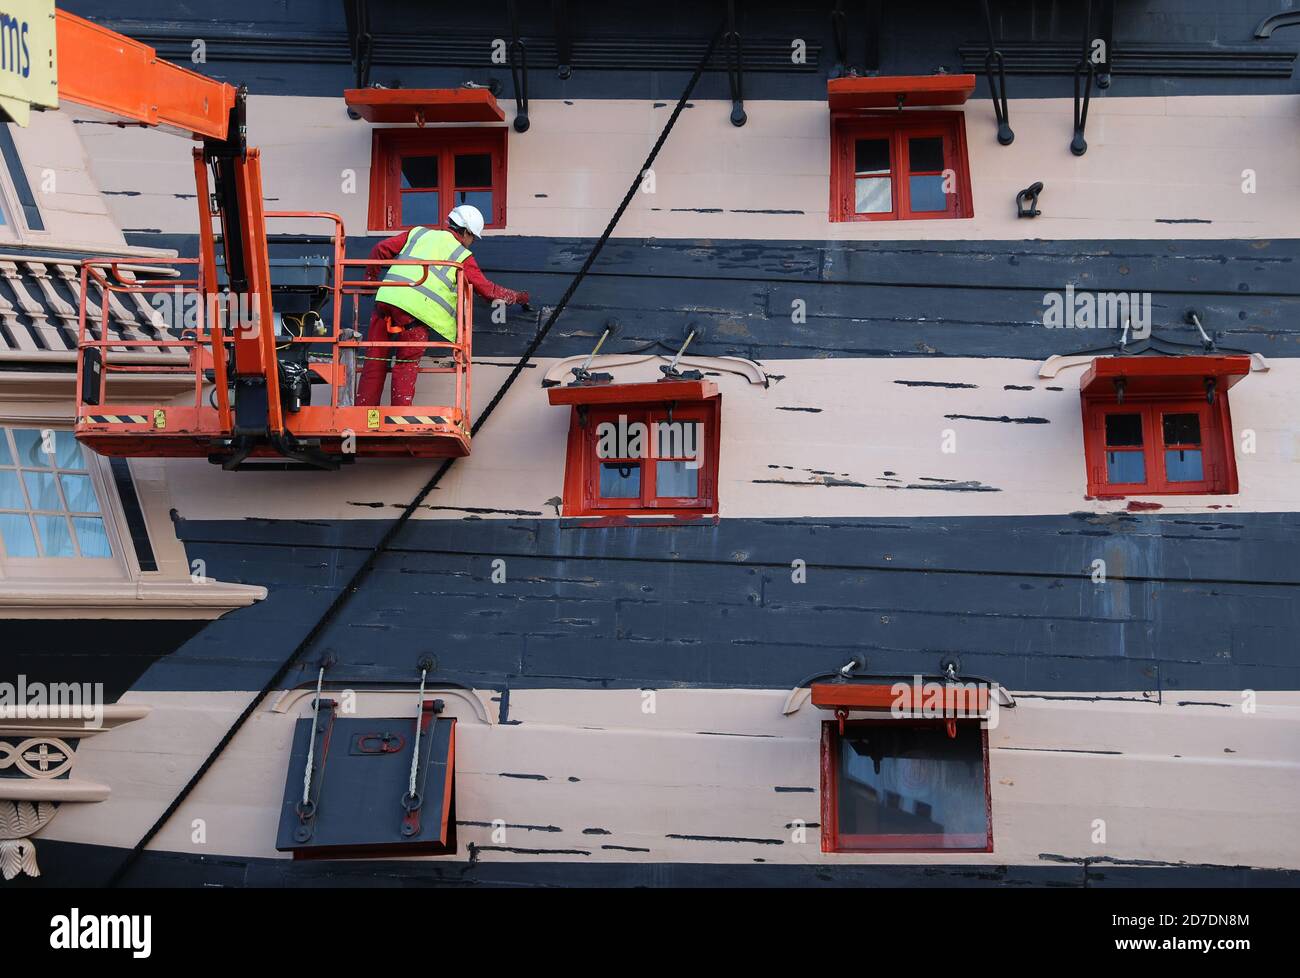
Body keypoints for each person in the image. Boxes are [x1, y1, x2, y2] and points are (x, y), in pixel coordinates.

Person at [356, 204, 529, 406]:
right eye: (472, 237)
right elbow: (488, 291)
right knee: (405, 364)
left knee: (375, 360)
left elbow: (380, 249)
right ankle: (399, 417)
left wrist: (369, 281)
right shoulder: (461, 255)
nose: (471, 243)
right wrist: (519, 297)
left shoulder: (418, 233)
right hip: (414, 314)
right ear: (465, 232)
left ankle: (366, 412)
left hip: (385, 302)